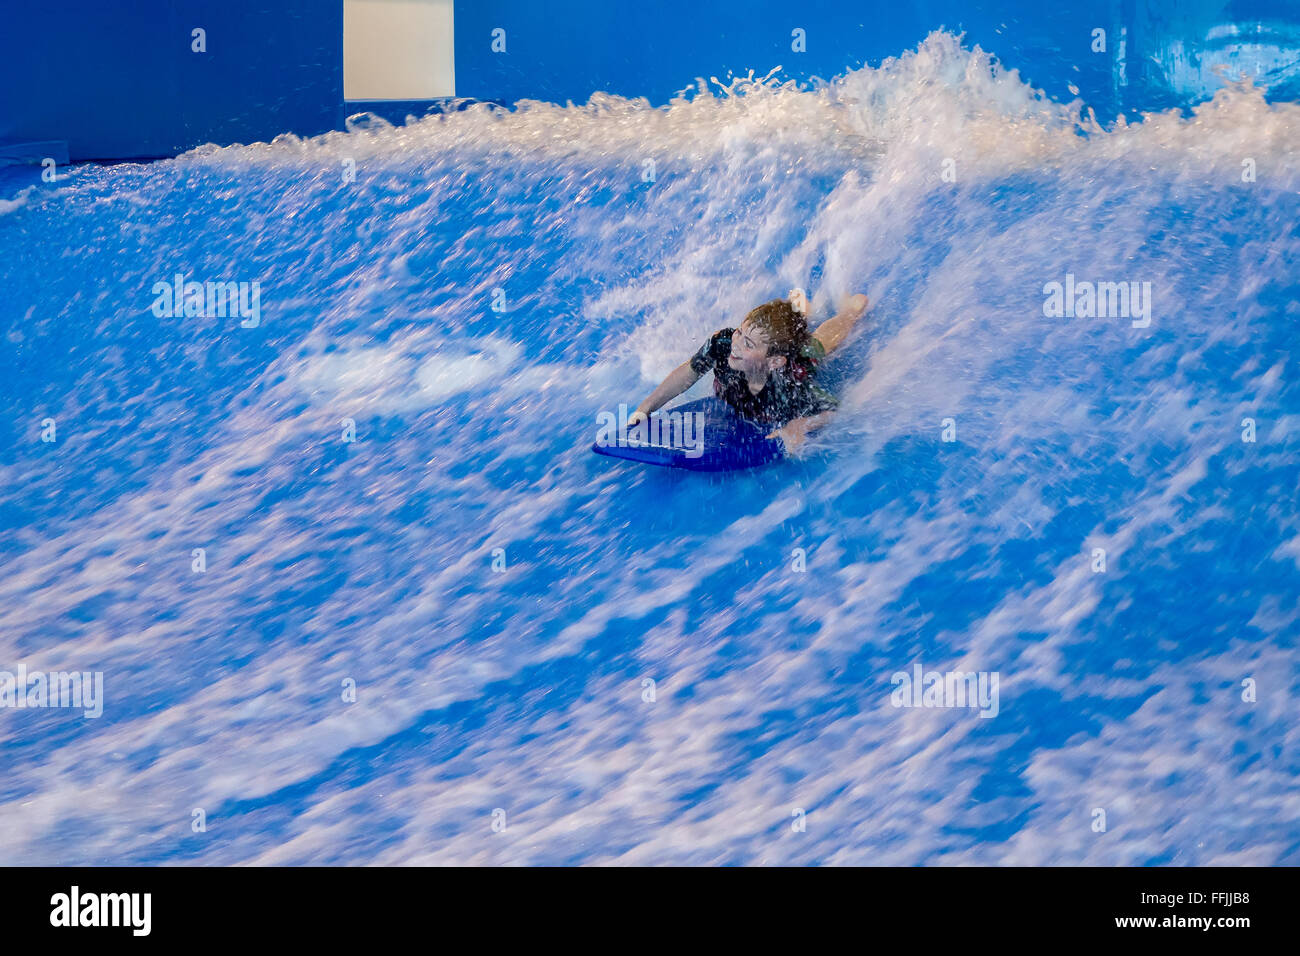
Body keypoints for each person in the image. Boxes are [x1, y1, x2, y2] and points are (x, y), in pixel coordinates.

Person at [628, 289, 869, 451]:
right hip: (774, 350)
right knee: (784, 330)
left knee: (818, 344)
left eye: (748, 344)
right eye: (740, 332)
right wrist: (646, 407)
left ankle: (850, 312)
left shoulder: (789, 384)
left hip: (795, 359)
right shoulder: (723, 345)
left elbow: (831, 409)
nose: (737, 344)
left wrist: (798, 426)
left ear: (774, 362)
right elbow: (688, 373)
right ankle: (799, 309)